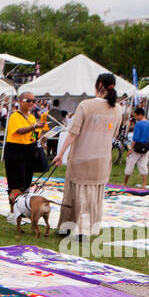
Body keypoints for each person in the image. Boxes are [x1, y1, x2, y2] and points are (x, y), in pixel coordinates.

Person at [51, 72, 124, 242]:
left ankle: (72, 228)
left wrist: (60, 153)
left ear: (98, 85)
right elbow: (114, 133)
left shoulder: (86, 105)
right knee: (91, 196)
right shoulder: (117, 109)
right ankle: (80, 227)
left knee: (76, 194)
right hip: (102, 159)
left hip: (81, 157)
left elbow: (73, 132)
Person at [3, 91, 44, 208]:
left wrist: (40, 136)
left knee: (26, 182)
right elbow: (20, 131)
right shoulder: (14, 116)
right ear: (20, 101)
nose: (31, 103)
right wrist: (35, 127)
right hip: (15, 150)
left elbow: (33, 136)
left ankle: (21, 208)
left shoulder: (32, 117)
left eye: (33, 101)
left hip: (29, 150)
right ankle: (13, 210)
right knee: (15, 182)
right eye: (28, 100)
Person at [123, 106, 149, 189]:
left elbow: (135, 138)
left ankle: (125, 183)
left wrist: (130, 149)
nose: (135, 117)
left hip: (137, 147)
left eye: (135, 116)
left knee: (130, 164)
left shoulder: (138, 124)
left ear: (140, 115)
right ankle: (144, 183)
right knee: (143, 165)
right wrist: (148, 142)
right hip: (145, 146)